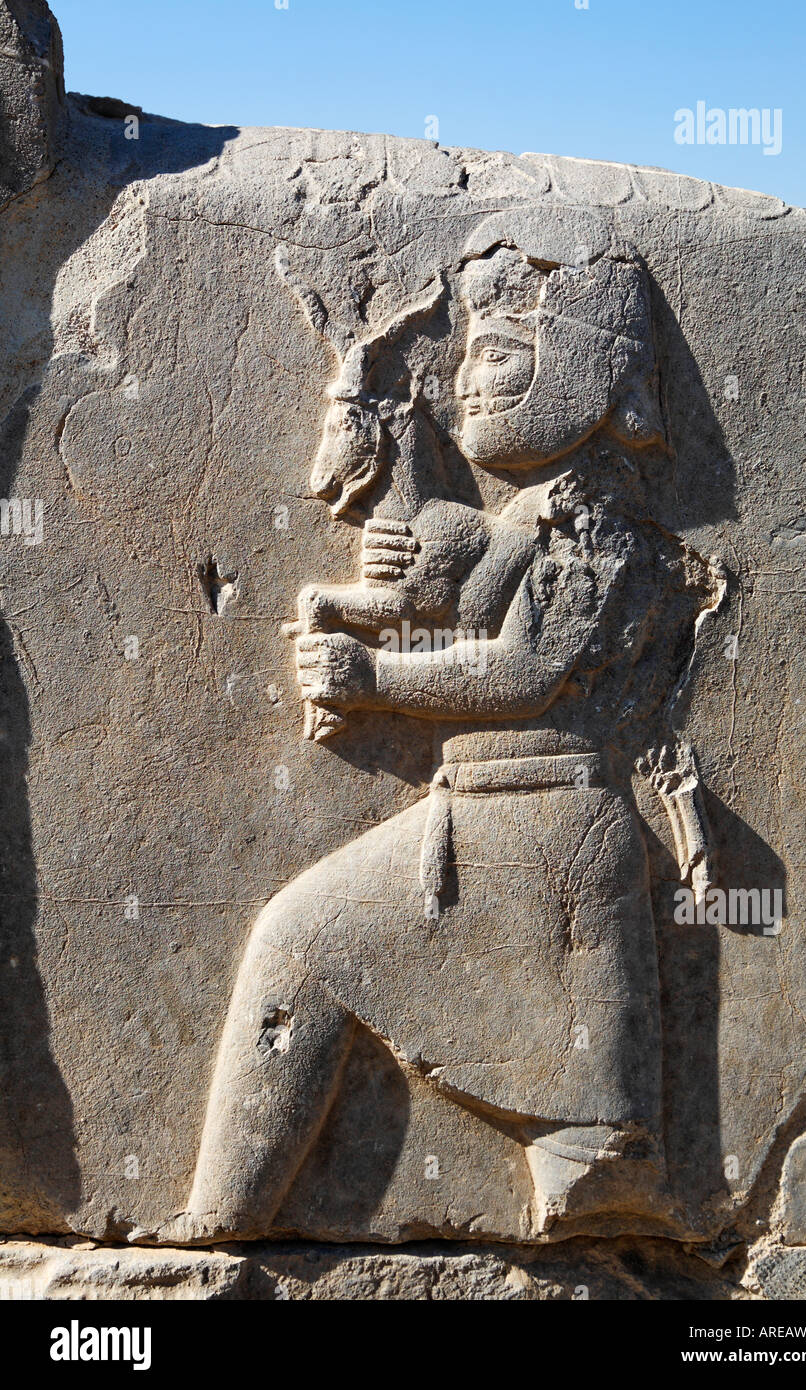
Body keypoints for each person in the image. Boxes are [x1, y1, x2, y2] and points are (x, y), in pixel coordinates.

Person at [150, 241, 721, 1243]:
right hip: (502, 826)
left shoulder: (598, 526)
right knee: (585, 1153)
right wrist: (385, 581)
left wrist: (373, 681)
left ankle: (223, 1219)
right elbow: (448, 588)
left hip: (534, 835)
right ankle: (226, 1216)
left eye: (495, 362)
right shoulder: (525, 517)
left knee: (296, 937)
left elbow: (516, 671)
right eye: (460, 365)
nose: (466, 390)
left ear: (595, 380)